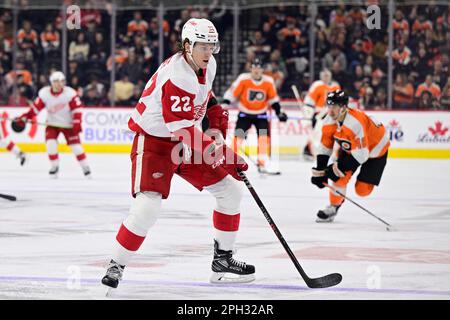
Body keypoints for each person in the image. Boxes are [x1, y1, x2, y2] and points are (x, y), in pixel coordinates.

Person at [101, 18, 254, 290]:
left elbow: (207, 100)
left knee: (230, 191)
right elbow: (182, 129)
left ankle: (223, 260)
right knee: (148, 206)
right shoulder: (177, 74)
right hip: (155, 142)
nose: (208, 52)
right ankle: (116, 263)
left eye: (211, 46)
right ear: (187, 46)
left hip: (185, 141)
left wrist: (217, 127)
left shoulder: (208, 66)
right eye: (202, 46)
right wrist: (224, 155)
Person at [311, 90, 390, 222]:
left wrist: (337, 168)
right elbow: (325, 147)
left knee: (362, 190)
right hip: (353, 148)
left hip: (376, 150)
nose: (330, 111)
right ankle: (333, 207)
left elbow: (362, 155)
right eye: (328, 106)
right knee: (338, 177)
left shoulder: (354, 123)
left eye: (334, 107)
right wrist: (321, 171)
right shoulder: (328, 121)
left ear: (343, 108)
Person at [13, 71, 90, 178]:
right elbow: (35, 109)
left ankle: (85, 167)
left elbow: (77, 110)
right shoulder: (45, 94)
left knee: (76, 147)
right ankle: (55, 166)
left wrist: (77, 122)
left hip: (68, 125)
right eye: (56, 82)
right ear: (51, 82)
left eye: (61, 81)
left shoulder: (70, 93)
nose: (59, 84)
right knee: (50, 145)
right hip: (52, 124)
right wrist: (25, 117)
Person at [223, 58, 288, 174]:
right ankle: (230, 163)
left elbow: (273, 99)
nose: (256, 70)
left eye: (259, 68)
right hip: (244, 114)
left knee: (263, 139)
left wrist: (279, 112)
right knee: (238, 138)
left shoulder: (268, 81)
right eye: (254, 68)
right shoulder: (243, 79)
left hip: (261, 115)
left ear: (262, 70)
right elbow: (232, 93)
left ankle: (262, 163)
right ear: (251, 69)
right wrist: (226, 103)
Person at [302, 69, 340, 160]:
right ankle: (310, 152)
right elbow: (309, 102)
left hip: (332, 115)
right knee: (318, 135)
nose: (326, 77)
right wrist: (309, 116)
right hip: (319, 115)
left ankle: (334, 153)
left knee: (334, 134)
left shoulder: (335, 86)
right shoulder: (317, 86)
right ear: (321, 76)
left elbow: (340, 102)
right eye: (324, 75)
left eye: (328, 75)